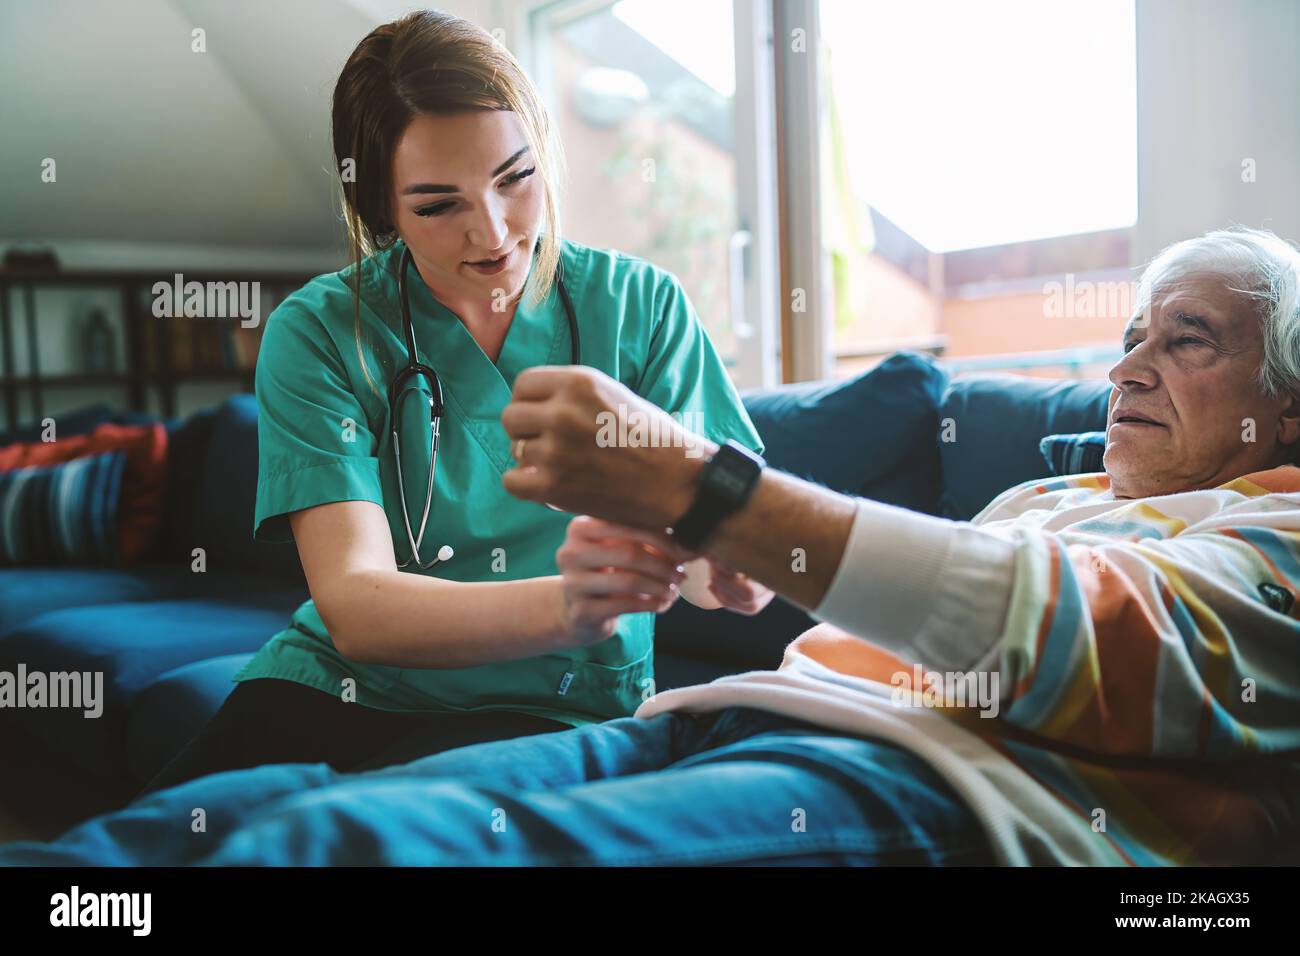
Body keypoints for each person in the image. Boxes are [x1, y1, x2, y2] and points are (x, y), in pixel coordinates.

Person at [4, 232, 1298, 867]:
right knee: (198, 828)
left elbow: (1052, 630)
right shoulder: (1048, 500)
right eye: (1130, 332)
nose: (1129, 364)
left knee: (349, 851)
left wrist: (702, 486)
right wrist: (714, 565)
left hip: (944, 799)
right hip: (736, 717)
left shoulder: (1283, 536)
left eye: (1186, 340)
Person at [136, 9, 770, 796]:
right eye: (440, 206)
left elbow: (717, 552)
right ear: (379, 212)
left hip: (559, 706)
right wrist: (567, 604)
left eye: (517, 178)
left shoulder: (643, 310)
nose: (495, 233)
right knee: (162, 846)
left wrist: (733, 563)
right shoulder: (321, 331)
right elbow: (356, 607)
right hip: (342, 685)